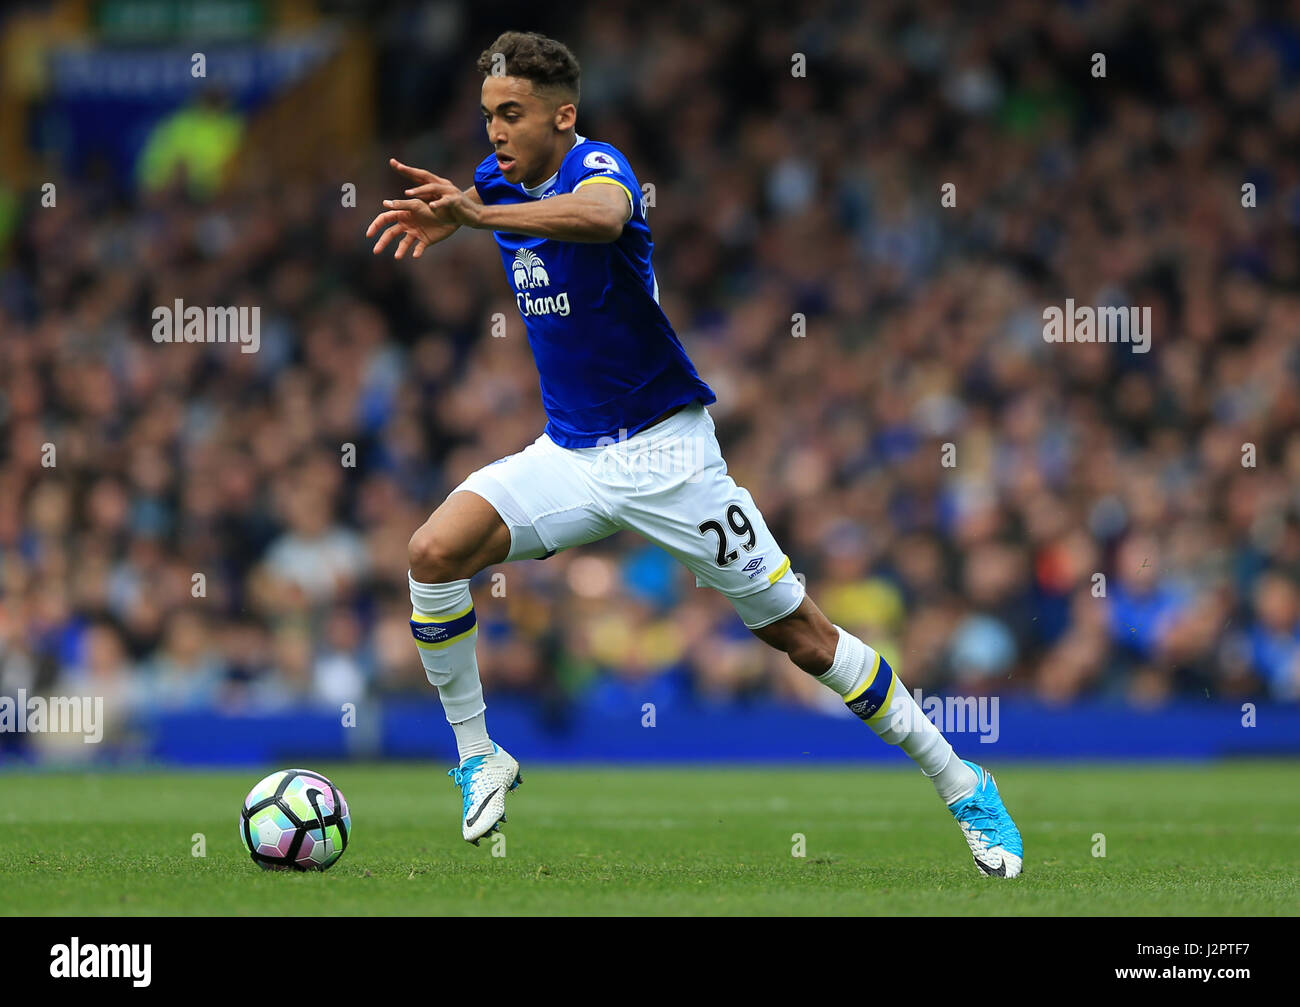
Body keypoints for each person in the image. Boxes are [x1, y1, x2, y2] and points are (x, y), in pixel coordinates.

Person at [365, 30, 1023, 876]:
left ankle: (963, 779)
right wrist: (459, 212)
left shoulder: (599, 169)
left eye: (513, 113)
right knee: (431, 552)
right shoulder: (495, 182)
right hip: (569, 454)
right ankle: (478, 755)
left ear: (562, 116)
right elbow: (486, 199)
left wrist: (477, 214)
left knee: (805, 638)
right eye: (488, 113)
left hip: (668, 460)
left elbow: (604, 218)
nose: (495, 131)